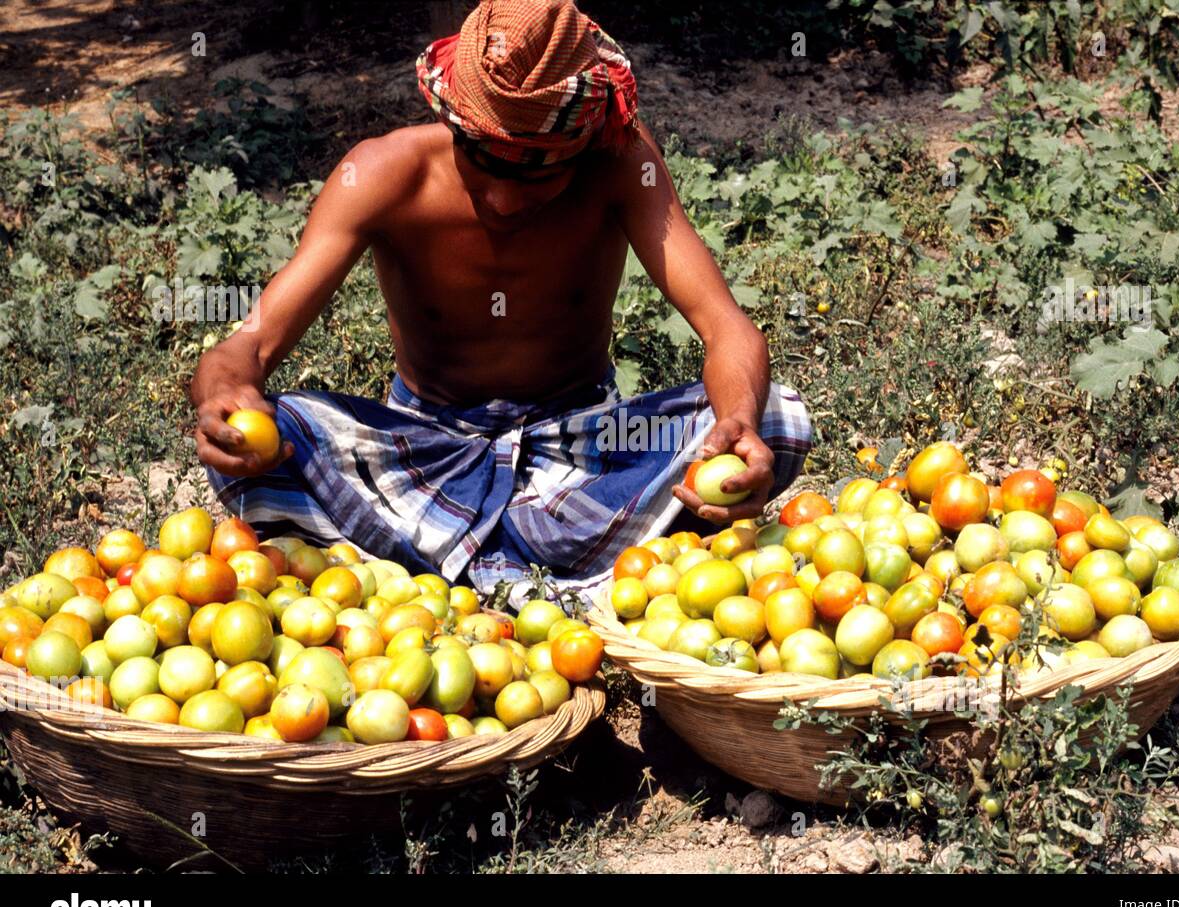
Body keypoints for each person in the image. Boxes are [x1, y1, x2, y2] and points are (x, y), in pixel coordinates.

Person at [190, 0, 811, 600]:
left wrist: (738, 426)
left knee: (776, 420)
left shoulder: (621, 166)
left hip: (577, 448)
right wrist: (224, 393)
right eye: (483, 164)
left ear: (584, 146)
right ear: (453, 124)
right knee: (269, 438)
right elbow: (250, 343)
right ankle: (572, 565)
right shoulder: (382, 175)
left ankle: (427, 559)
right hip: (425, 447)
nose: (504, 201)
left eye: (539, 175)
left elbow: (728, 329)